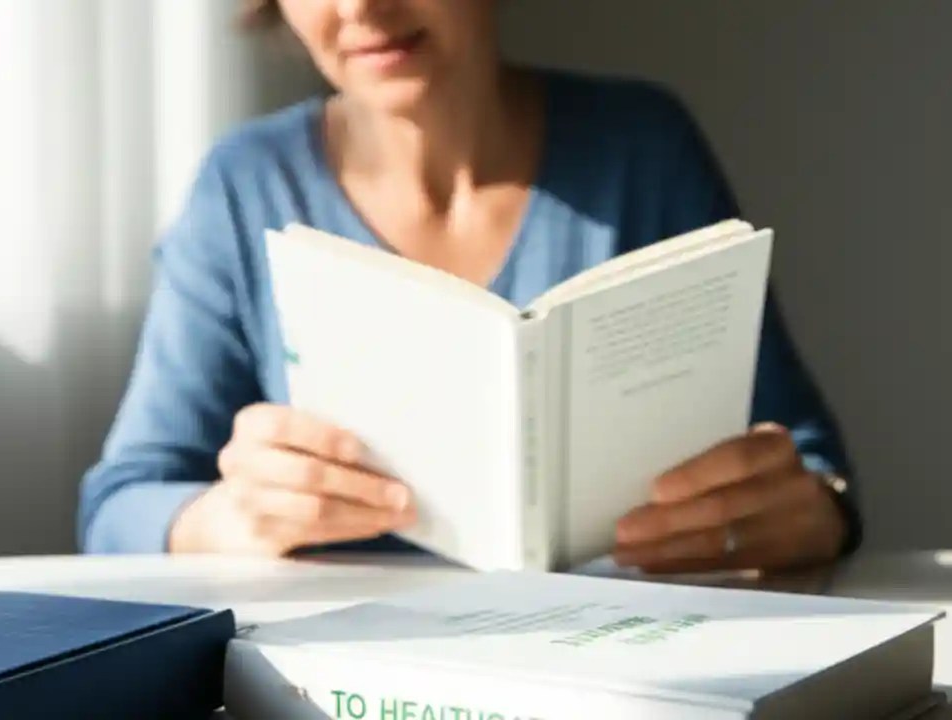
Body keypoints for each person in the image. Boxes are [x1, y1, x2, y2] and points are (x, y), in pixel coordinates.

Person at [78, 0, 861, 573]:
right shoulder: (244, 185)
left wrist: (807, 509)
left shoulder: (642, 147)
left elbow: (814, 465)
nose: (362, 8)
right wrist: (222, 517)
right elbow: (117, 508)